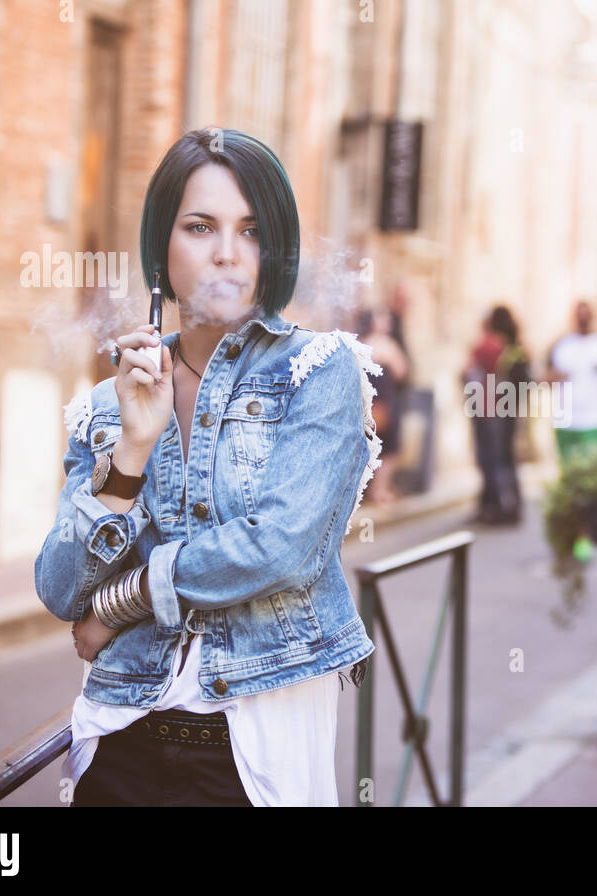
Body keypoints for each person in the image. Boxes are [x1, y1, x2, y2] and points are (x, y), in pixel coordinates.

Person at [35, 128, 381, 806]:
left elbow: (278, 547)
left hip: (252, 749)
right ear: (163, 243)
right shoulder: (113, 401)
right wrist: (131, 452)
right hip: (121, 737)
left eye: (251, 231)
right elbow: (60, 590)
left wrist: (123, 600)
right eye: (200, 227)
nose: (227, 254)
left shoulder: (317, 373)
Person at [461, 306, 529, 524]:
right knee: (506, 459)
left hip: (487, 410)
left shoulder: (486, 346)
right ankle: (510, 506)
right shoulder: (514, 348)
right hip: (507, 410)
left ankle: (495, 506)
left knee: (491, 459)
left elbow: (466, 373)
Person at [546, 300, 597, 465]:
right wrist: (555, 376)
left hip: (595, 420)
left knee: (592, 470)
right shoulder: (561, 345)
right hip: (566, 420)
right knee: (568, 470)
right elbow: (544, 377)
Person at [355, 305, 409, 505]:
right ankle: (379, 490)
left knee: (370, 447)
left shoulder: (360, 344)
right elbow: (401, 371)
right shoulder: (386, 345)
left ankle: (371, 490)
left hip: (367, 403)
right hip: (384, 402)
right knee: (390, 449)